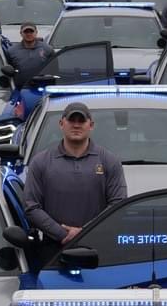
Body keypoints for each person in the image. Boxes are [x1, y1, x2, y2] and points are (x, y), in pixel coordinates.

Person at [20, 102, 127, 242]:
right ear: (61, 124)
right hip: (53, 247)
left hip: (98, 246)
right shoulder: (40, 162)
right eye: (71, 120)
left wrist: (85, 232)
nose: (76, 125)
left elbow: (118, 205)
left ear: (91, 125)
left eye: (81, 121)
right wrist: (61, 234)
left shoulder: (109, 161)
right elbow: (31, 206)